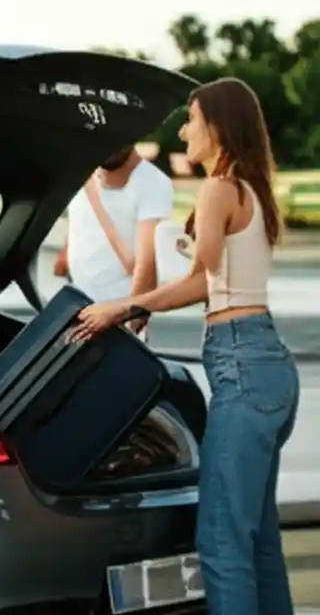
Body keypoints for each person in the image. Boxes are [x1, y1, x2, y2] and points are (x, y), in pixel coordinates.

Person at [70, 77, 299, 615]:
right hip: (265, 366)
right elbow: (212, 273)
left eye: (192, 118)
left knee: (221, 541)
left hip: (242, 365)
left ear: (217, 126)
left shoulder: (220, 188)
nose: (183, 127)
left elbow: (202, 282)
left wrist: (124, 306)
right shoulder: (251, 189)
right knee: (256, 540)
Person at [60, 143, 175, 334]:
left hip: (115, 316)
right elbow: (81, 218)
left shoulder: (152, 182)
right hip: (77, 305)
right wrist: (66, 250)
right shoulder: (83, 173)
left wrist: (132, 319)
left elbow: (146, 262)